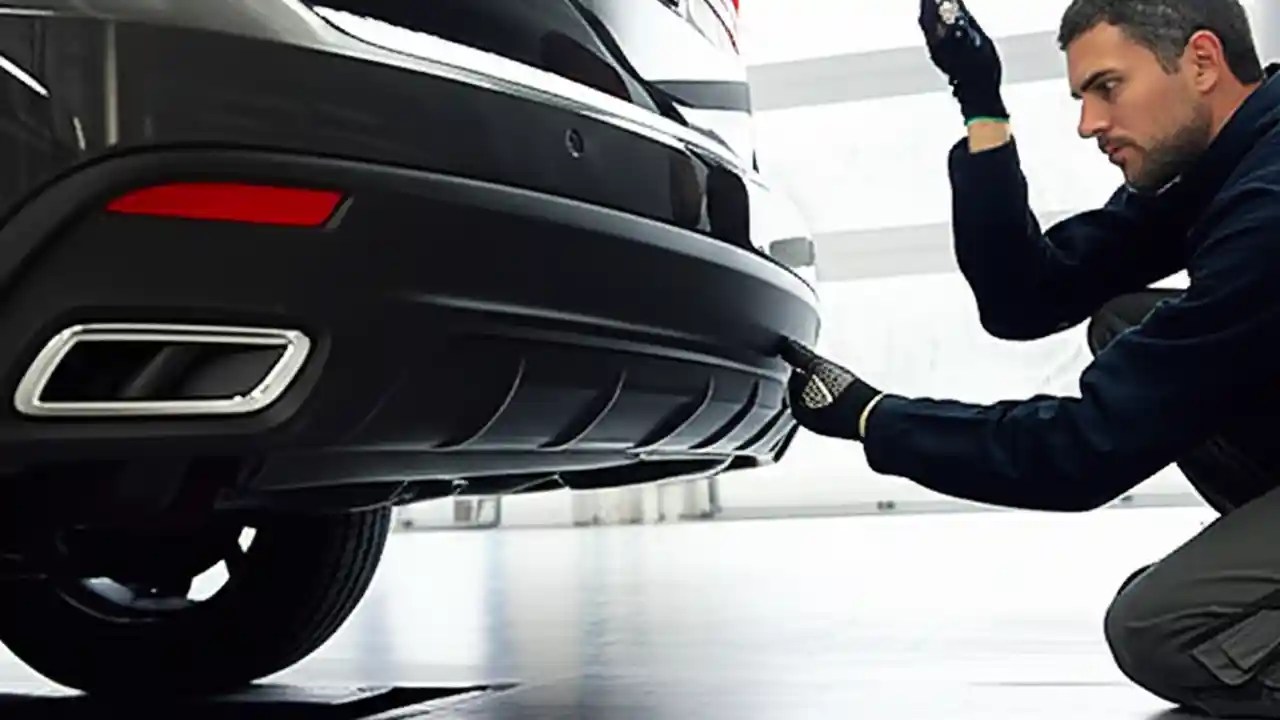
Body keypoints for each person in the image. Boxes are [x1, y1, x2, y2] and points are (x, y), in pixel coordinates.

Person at [779, 0, 1280, 715]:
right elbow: (1027, 297)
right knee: (1126, 323)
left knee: (1158, 628)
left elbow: (1084, 451)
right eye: (1082, 98)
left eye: (1108, 88)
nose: (1089, 125)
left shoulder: (1267, 205)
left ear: (1201, 62)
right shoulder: (1220, 163)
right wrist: (979, 99)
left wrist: (875, 420)